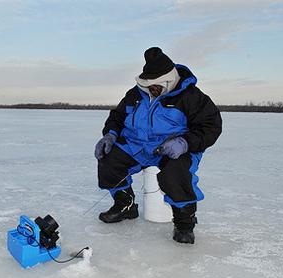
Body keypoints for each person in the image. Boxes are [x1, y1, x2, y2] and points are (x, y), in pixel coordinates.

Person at [94, 47, 222, 244]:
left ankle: (184, 223)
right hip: (136, 145)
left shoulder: (191, 96)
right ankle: (125, 206)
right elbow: (117, 117)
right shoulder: (135, 94)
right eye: (148, 85)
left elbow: (211, 126)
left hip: (173, 148)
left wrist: (184, 142)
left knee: (176, 175)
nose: (150, 89)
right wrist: (110, 135)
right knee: (109, 161)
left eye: (154, 86)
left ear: (168, 81)